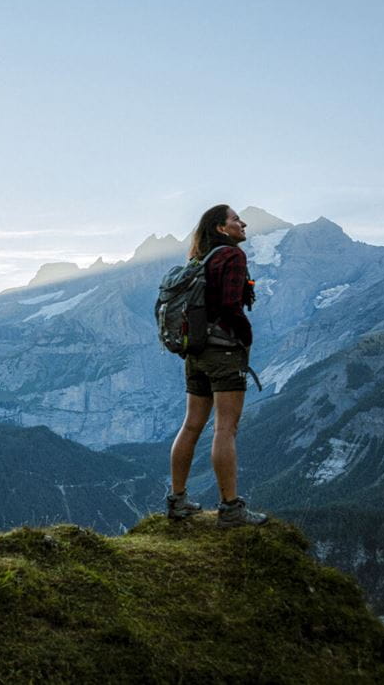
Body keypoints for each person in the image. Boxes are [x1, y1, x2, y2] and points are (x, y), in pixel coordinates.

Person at [165, 204, 268, 528]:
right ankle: (230, 508)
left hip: (195, 352)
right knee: (226, 428)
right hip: (223, 352)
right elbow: (229, 305)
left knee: (192, 424)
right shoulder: (232, 257)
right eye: (236, 220)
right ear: (222, 228)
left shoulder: (199, 260)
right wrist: (245, 335)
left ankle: (177, 500)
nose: (243, 223)